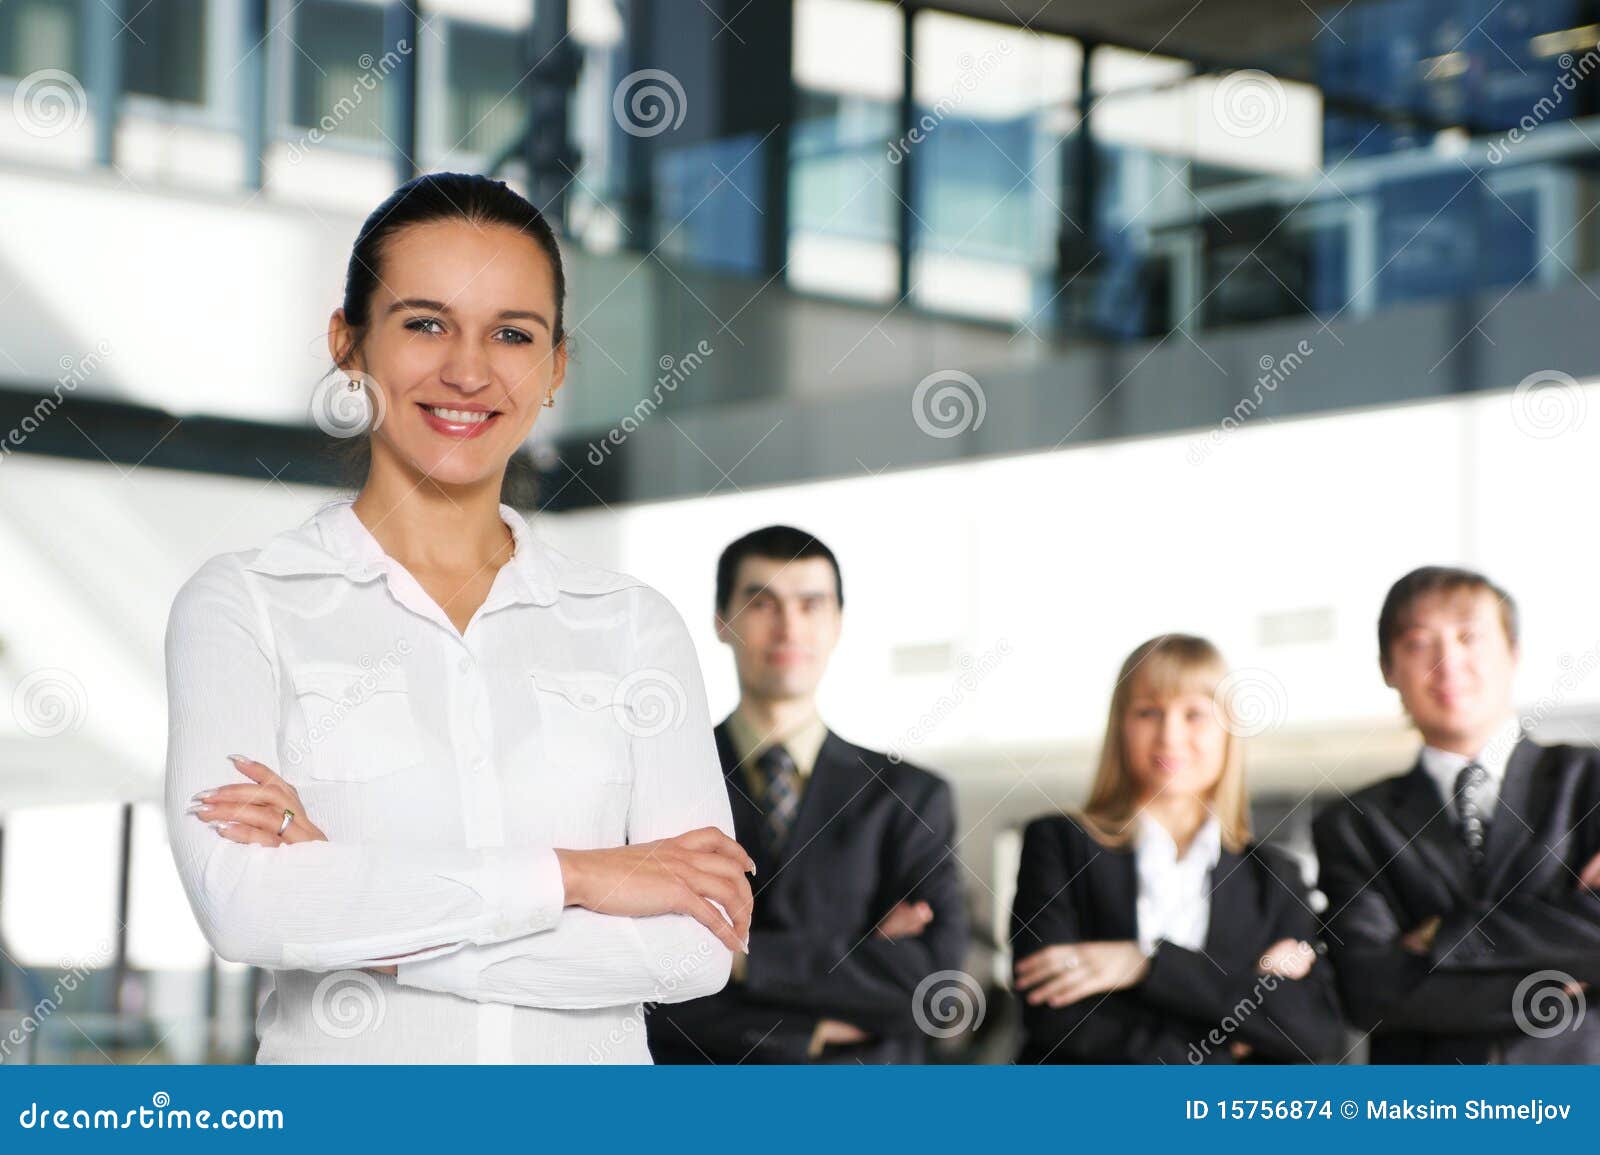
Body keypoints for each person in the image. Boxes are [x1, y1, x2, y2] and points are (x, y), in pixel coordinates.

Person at [163, 172, 754, 1064]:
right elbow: (245, 905)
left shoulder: (633, 628)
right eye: (425, 324)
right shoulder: (246, 604)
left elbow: (694, 945)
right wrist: (580, 876)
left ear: (556, 367)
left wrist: (370, 925)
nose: (468, 372)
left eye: (512, 334)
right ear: (349, 342)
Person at [646, 526, 968, 1063]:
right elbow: (635, 977)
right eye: (761, 603)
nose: (788, 627)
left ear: (837, 623)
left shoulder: (911, 797)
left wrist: (740, 959)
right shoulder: (661, 781)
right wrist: (842, 983)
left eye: (810, 604)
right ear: (722, 621)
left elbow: (935, 984)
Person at [1010, 634, 1344, 1064]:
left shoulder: (1276, 878)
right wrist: (1229, 1033)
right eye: (1148, 712)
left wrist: (1144, 964)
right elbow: (1053, 1015)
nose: (1170, 735)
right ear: (1120, 727)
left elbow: (1313, 1032)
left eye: (1194, 714)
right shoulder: (1059, 844)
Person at [1313, 566, 1600, 1062]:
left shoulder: (1589, 781)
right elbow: (1369, 991)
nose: (1447, 663)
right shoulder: (1353, 824)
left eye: (1470, 638)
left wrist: (1442, 937)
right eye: (1419, 643)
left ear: (1513, 652)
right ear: (1388, 669)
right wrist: (1552, 983)